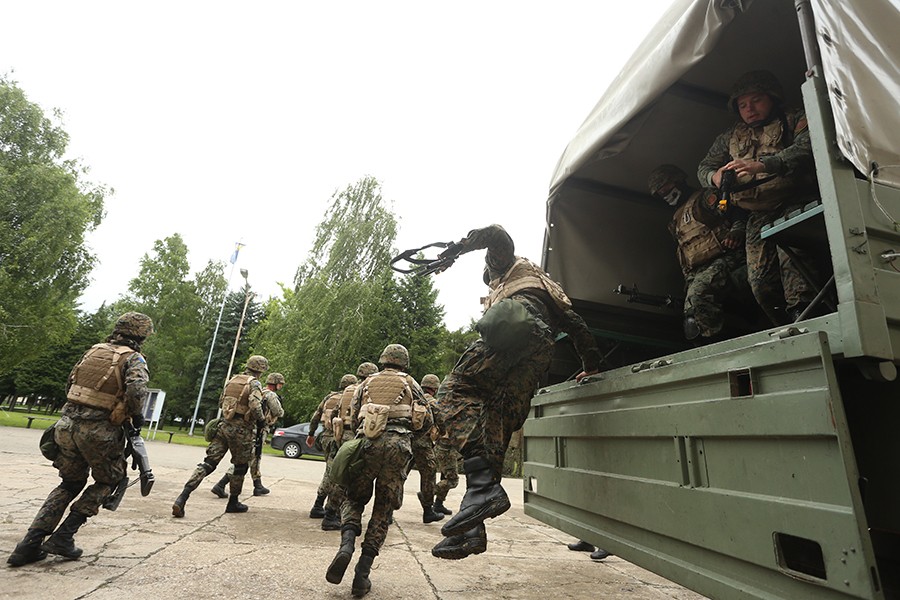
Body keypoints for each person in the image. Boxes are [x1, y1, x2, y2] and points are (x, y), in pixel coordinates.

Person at [429, 224, 601, 560]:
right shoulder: (549, 291)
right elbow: (578, 328)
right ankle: (470, 530)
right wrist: (592, 364)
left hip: (515, 327)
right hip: (538, 354)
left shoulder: (506, 265)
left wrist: (457, 249)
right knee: (491, 438)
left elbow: (495, 234)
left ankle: (483, 496)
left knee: (452, 392)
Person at [7, 312, 153, 566]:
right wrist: (134, 415)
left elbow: (69, 385)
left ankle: (29, 544)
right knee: (110, 479)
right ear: (141, 335)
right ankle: (64, 536)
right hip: (99, 432)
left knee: (70, 483)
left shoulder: (94, 351)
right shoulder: (134, 359)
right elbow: (137, 391)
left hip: (65, 426)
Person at [697, 70, 820, 325]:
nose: (749, 109)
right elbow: (704, 167)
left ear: (772, 98)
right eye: (742, 105)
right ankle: (785, 327)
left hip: (794, 203)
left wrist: (764, 165)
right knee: (761, 284)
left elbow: (808, 147)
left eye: (756, 101)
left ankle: (807, 321)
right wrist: (715, 177)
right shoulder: (730, 137)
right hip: (758, 214)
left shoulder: (794, 118)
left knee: (795, 274)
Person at [325, 344, 432, 597]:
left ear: (382, 360)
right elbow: (427, 420)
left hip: (366, 445)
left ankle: (347, 545)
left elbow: (351, 416)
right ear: (404, 362)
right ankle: (362, 575)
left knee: (354, 498)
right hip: (398, 449)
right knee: (383, 509)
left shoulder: (365, 384)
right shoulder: (410, 383)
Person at [647, 164, 748, 341]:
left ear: (678, 181)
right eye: (660, 192)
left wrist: (736, 232)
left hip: (727, 258)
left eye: (666, 187)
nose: (664, 193)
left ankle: (714, 345)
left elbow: (737, 211)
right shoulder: (675, 219)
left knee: (699, 294)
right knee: (690, 314)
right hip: (699, 270)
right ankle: (705, 346)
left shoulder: (705, 198)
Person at [172, 355, 268, 518]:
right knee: (240, 467)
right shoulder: (254, 383)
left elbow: (220, 402)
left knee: (208, 463)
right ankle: (233, 502)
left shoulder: (233, 380)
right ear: (261, 369)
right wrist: (262, 420)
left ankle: (182, 497)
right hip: (241, 430)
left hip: (223, 426)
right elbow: (254, 405)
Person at [316, 362, 378, 530]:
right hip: (357, 436)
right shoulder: (369, 389)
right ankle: (333, 515)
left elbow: (335, 411)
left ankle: (331, 512)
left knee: (340, 474)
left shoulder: (347, 391)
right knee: (354, 478)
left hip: (341, 435)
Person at [210, 371, 285, 498]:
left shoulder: (260, 391)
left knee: (254, 457)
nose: (281, 386)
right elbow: (278, 411)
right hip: (259, 428)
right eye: (281, 384)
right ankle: (221, 484)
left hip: (252, 427)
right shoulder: (271, 395)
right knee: (248, 458)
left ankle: (258, 485)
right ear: (276, 384)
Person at [306, 373, 358, 523]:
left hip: (326, 437)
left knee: (330, 470)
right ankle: (329, 508)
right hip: (340, 436)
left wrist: (311, 433)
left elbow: (316, 416)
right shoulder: (352, 396)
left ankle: (319, 504)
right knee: (336, 473)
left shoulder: (330, 397)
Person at [410, 373, 444, 523]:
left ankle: (389, 511)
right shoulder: (433, 402)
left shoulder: (412, 399)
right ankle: (428, 511)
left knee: (398, 476)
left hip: (407, 442)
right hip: (423, 445)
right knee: (428, 476)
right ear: (435, 389)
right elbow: (442, 422)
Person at [423, 373, 458, 516]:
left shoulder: (416, 398)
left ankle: (438, 504)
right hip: (436, 444)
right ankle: (428, 495)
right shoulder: (436, 403)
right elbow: (442, 422)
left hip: (410, 440)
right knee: (452, 479)